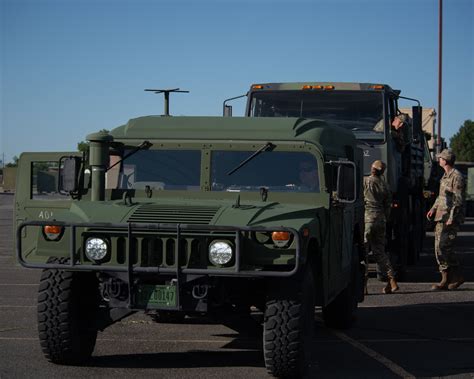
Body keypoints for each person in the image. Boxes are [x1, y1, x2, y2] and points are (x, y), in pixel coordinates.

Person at [426, 149, 466, 290]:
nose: (439, 160)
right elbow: (441, 196)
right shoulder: (445, 176)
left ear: (446, 160)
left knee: (445, 246)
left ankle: (457, 276)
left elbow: (458, 200)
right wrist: (433, 208)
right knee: (438, 248)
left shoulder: (457, 176)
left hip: (450, 218)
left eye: (441, 158)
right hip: (441, 216)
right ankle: (445, 278)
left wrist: (452, 217)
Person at [364, 160, 399, 294]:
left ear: (372, 169)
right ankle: (392, 280)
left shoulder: (366, 181)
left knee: (364, 253)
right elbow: (388, 206)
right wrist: (384, 217)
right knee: (380, 252)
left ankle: (364, 286)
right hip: (381, 220)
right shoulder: (385, 185)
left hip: (368, 220)